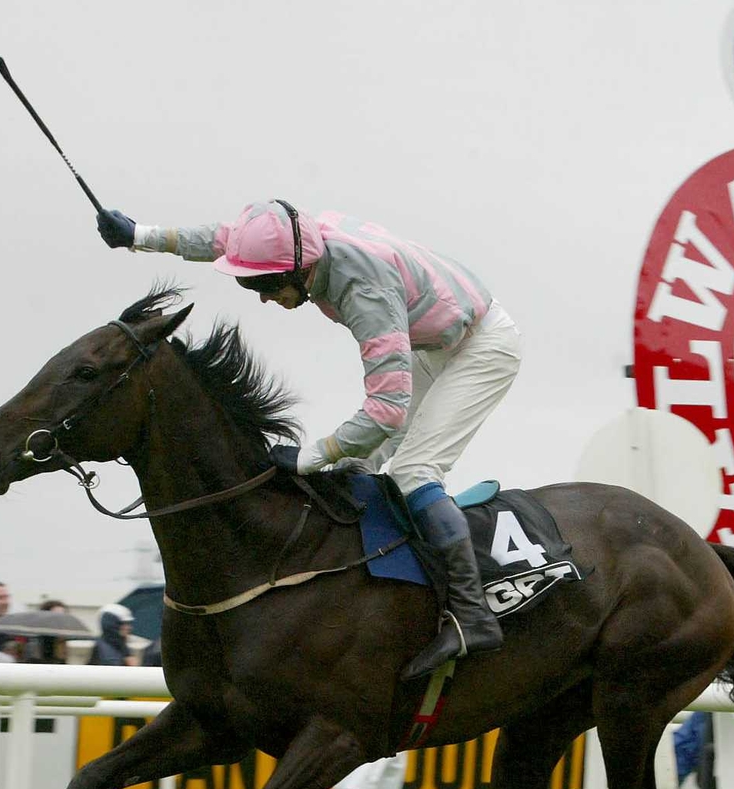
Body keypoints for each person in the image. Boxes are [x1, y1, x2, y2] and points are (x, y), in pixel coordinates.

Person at [96, 198, 523, 680]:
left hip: (480, 349)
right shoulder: (300, 240)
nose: (261, 297)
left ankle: (473, 616)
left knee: (412, 471)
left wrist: (310, 458)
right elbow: (221, 238)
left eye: (266, 285)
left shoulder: (362, 290)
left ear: (297, 270)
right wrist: (139, 235)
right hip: (437, 341)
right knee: (358, 467)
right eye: (250, 284)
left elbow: (386, 411)